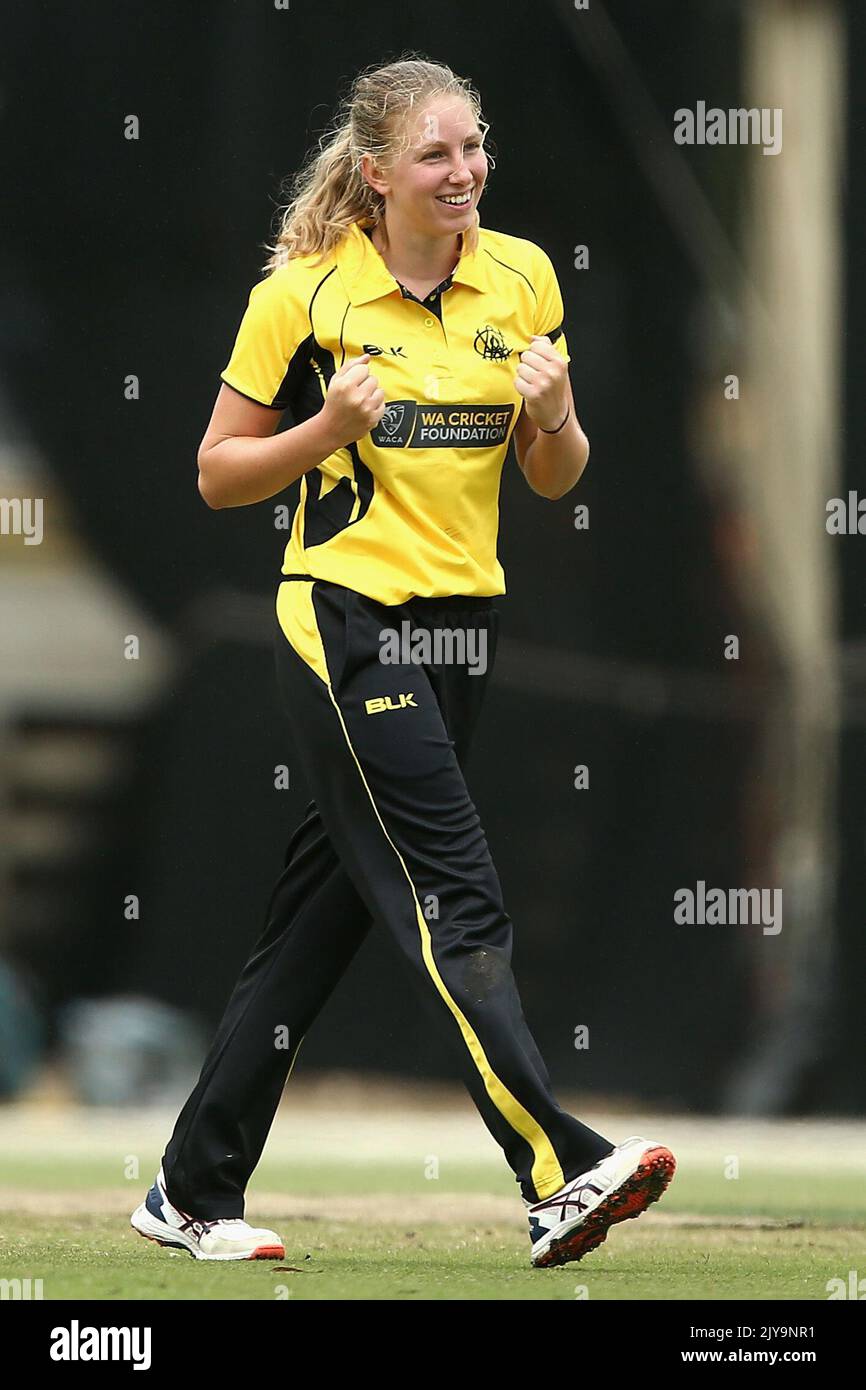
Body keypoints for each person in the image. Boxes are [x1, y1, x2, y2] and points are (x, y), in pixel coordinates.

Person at [130, 54, 675, 1271]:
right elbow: (218, 471)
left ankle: (188, 1186)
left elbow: (555, 473)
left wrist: (553, 416)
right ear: (375, 175)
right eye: (435, 155)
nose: (463, 172)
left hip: (460, 629)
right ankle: (554, 1168)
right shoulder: (307, 295)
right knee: (452, 890)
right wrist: (322, 430)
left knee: (319, 922)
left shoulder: (523, 277)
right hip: (344, 619)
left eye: (472, 149)